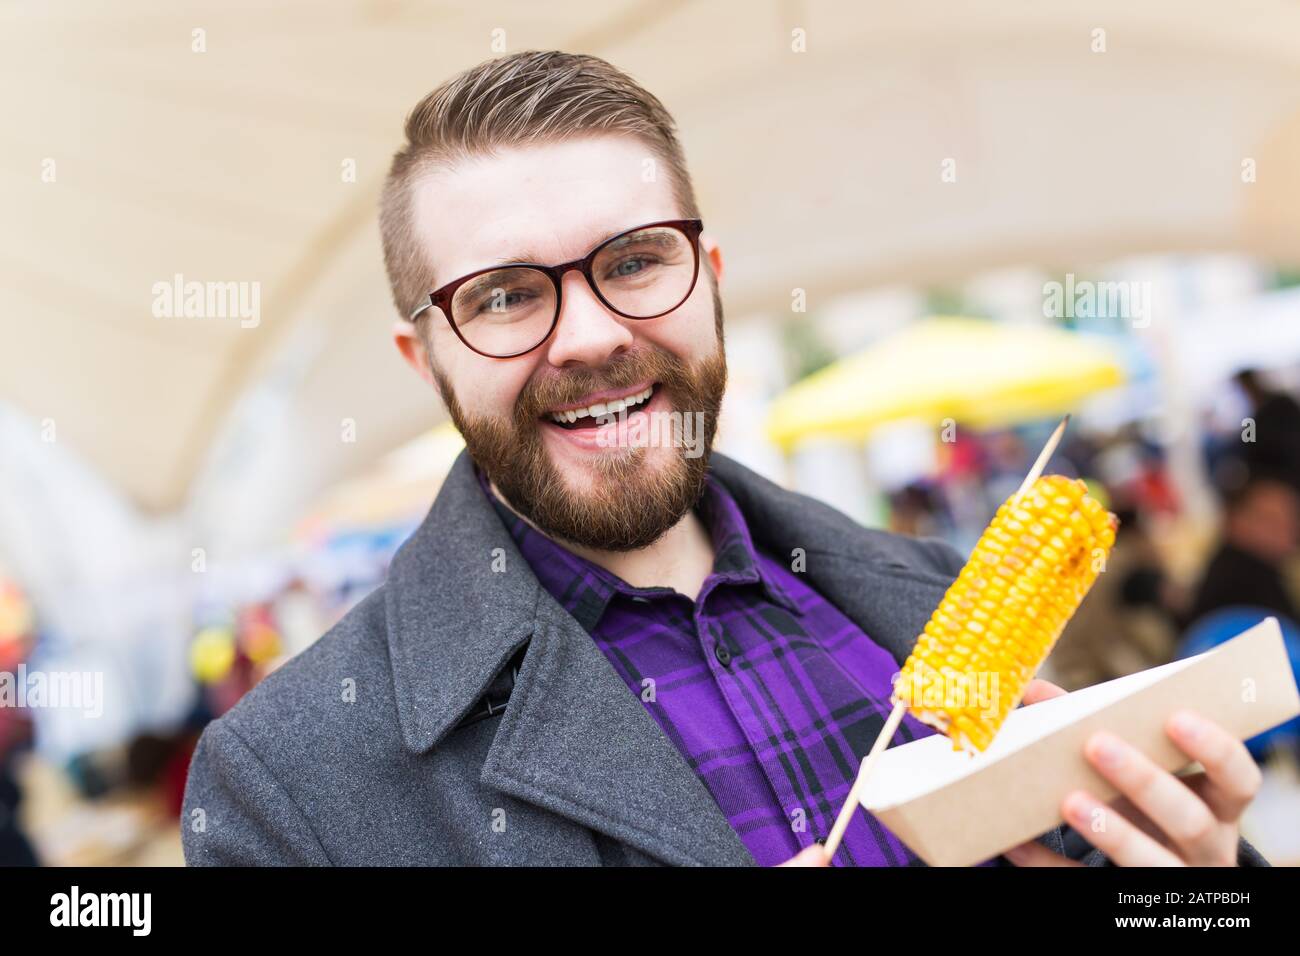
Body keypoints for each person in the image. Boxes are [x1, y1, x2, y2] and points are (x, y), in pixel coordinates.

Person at [182, 51, 1267, 867]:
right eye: (505, 296)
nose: (591, 335)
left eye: (635, 260)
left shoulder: (931, 597)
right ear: (425, 361)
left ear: (706, 276)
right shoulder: (289, 784)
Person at [1189, 476, 1300, 627]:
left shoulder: (1258, 569)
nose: (1285, 531)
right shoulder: (1244, 577)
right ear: (1235, 520)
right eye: (1270, 520)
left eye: (1289, 521)